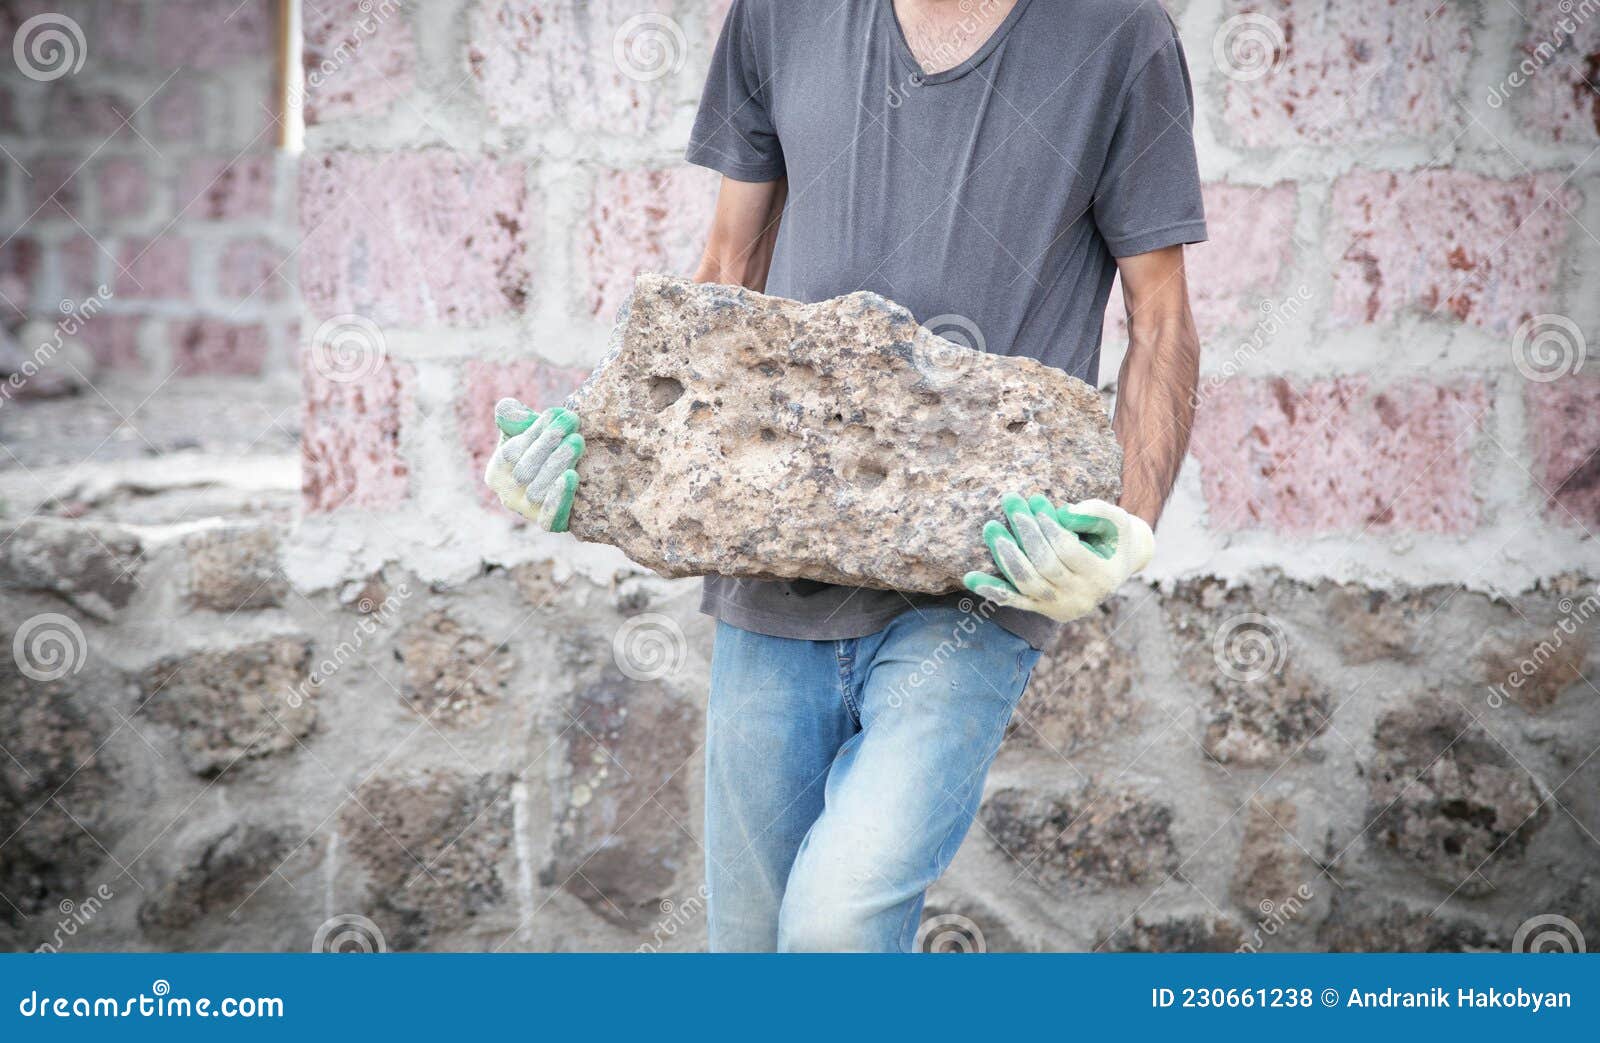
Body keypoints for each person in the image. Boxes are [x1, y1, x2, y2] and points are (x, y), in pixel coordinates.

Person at [485, 0, 1204, 952]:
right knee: (748, 949)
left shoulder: (1117, 37)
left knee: (835, 923)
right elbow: (725, 270)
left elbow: (1161, 319)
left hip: (977, 586)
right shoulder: (781, 15)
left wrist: (1129, 527)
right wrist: (596, 446)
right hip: (773, 576)